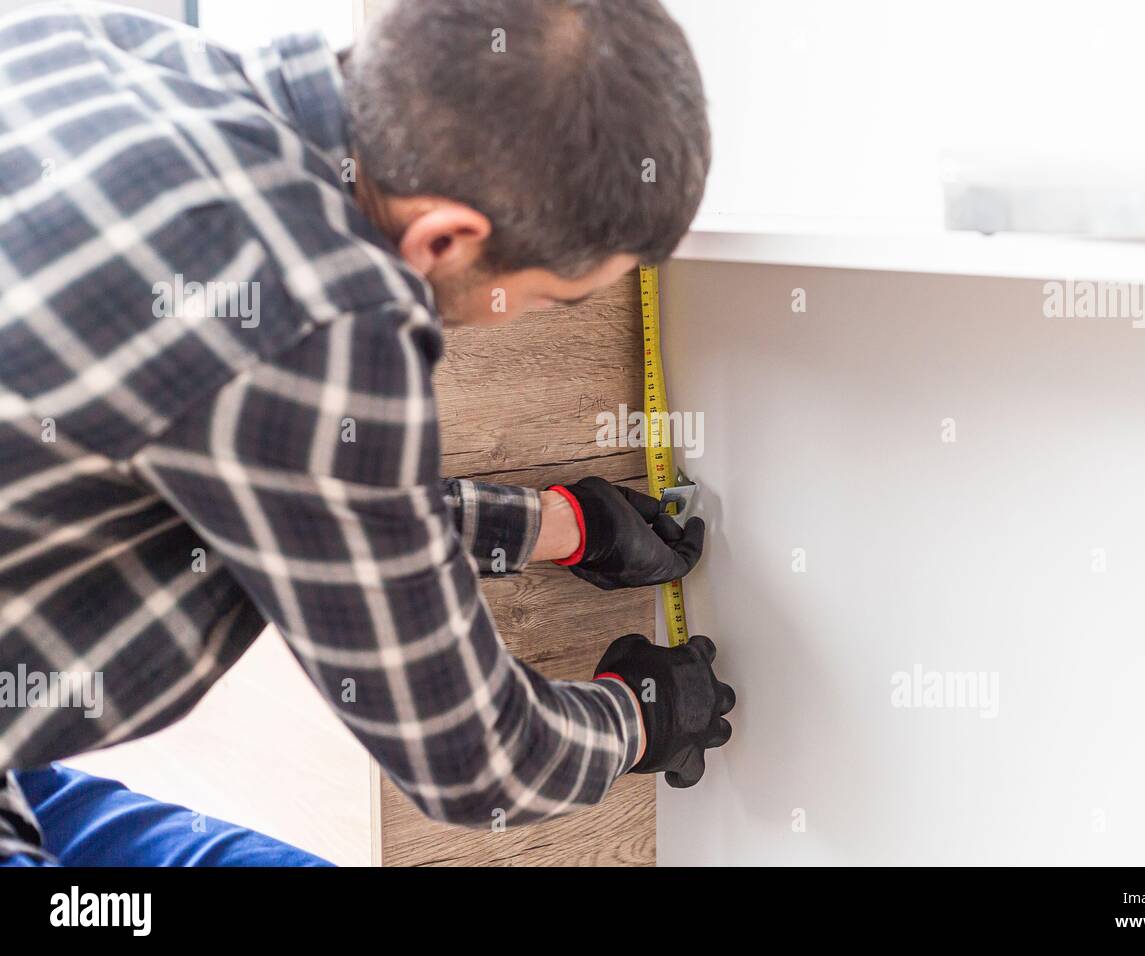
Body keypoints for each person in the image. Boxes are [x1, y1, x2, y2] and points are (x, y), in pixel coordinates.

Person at [0, 0, 733, 865]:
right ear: (448, 238)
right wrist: (639, 716)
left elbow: (295, 484)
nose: (525, 316)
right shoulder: (318, 312)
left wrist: (557, 526)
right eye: (550, 297)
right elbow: (479, 760)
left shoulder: (110, 48)